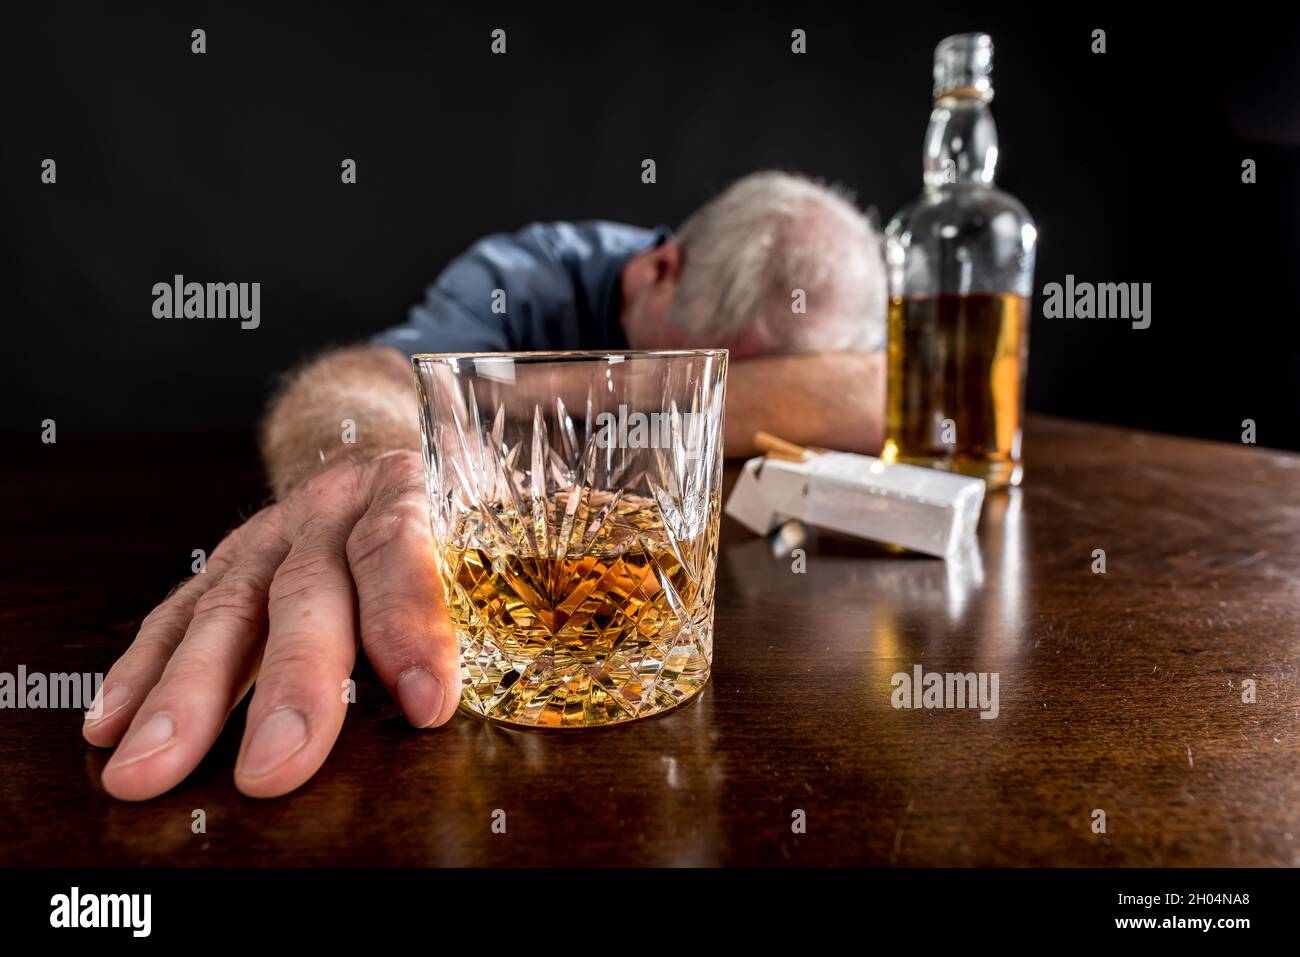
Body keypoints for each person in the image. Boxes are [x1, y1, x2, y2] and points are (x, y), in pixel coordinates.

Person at [83, 170, 887, 800]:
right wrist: (368, 471)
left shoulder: (801, 302)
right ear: (661, 268)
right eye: (706, 358)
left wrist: (563, 389)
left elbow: (889, 393)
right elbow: (369, 381)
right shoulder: (523, 274)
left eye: (749, 383)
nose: (705, 408)